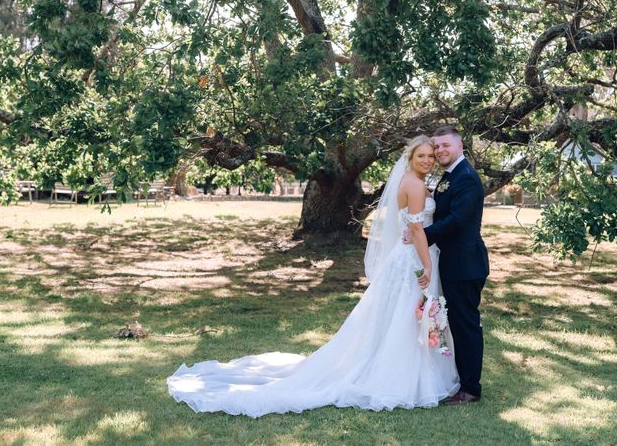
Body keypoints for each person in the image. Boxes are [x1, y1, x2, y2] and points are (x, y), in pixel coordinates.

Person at [166, 136, 460, 417]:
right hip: (414, 259)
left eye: (431, 156)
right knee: (406, 315)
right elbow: (418, 230)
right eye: (421, 155)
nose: (427, 160)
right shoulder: (415, 184)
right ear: (410, 157)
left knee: (400, 315)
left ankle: (391, 365)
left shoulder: (415, 182)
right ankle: (400, 376)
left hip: (404, 255)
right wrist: (427, 265)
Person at [418, 125, 489, 405]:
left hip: (465, 263)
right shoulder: (451, 175)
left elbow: (457, 220)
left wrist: (422, 236)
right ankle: (463, 380)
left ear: (460, 147)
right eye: (437, 146)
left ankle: (470, 389)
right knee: (458, 324)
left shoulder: (467, 178)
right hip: (453, 261)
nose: (440, 150)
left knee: (466, 325)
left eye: (445, 145)